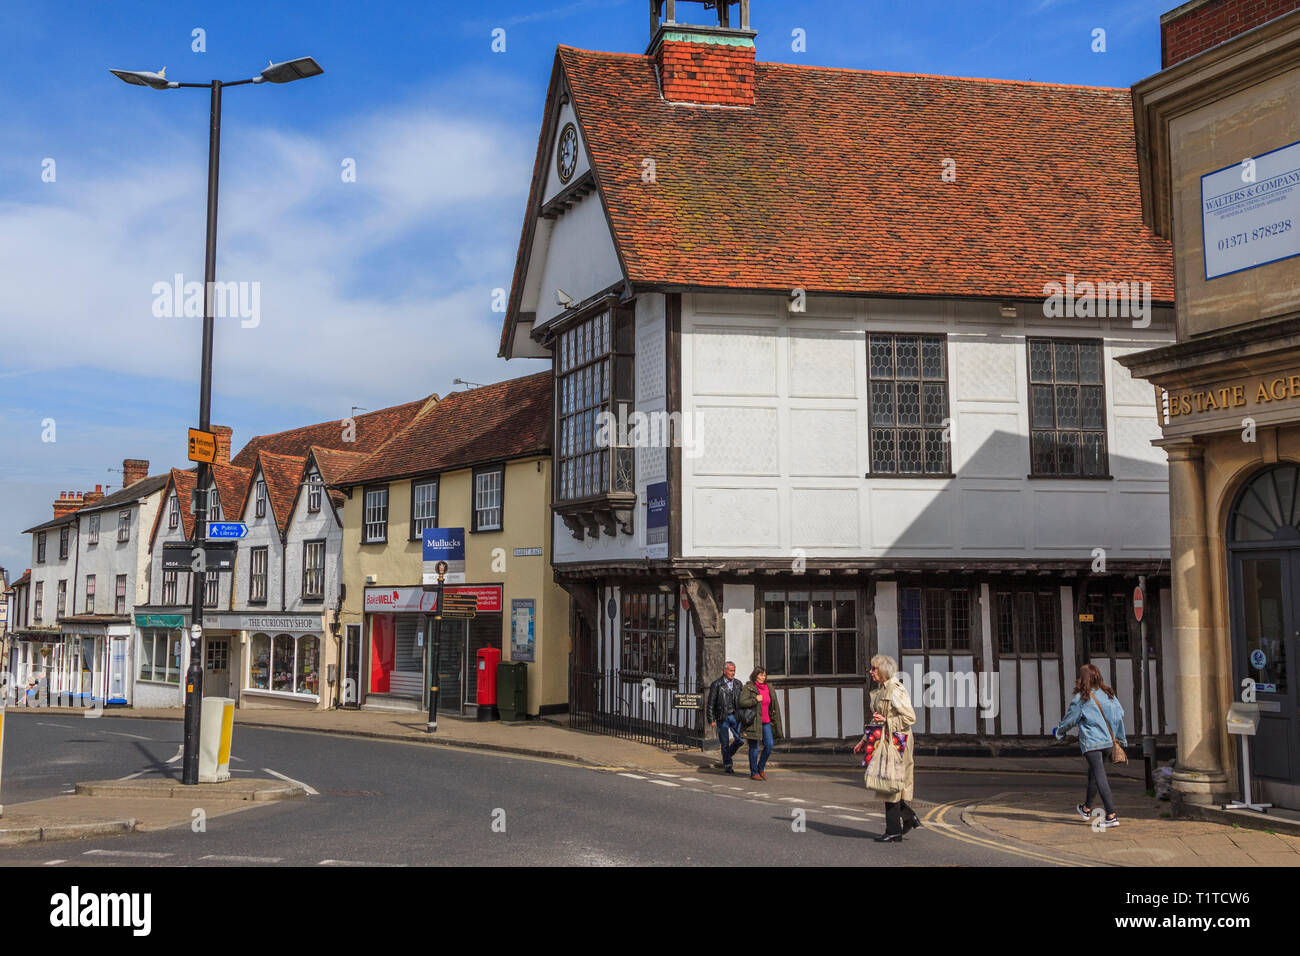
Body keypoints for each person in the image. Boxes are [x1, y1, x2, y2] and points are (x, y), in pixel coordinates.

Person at [854, 654, 920, 842]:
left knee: (889, 785)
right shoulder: (881, 690)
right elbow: (876, 719)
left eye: (873, 668)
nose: (871, 671)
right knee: (888, 784)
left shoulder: (895, 690)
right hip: (885, 740)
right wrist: (864, 740)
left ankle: (894, 831)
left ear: (883, 670)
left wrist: (888, 721)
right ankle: (907, 819)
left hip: (898, 741)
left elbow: (910, 718)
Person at [1052, 663, 1127, 829]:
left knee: (1100, 777)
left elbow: (1070, 720)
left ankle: (1111, 815)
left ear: (1083, 679)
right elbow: (1119, 716)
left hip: (1093, 743)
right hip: (1109, 743)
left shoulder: (1082, 698)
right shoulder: (1109, 695)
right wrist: (1120, 739)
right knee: (1094, 775)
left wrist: (1059, 732)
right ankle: (1086, 809)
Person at [738, 667, 782, 781]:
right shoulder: (749, 688)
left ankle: (760, 768)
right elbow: (742, 702)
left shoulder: (769, 688)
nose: (763, 677)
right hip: (754, 722)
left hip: (766, 722)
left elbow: (773, 703)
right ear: (755, 675)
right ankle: (754, 772)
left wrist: (773, 713)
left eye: (764, 675)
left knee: (769, 745)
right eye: (761, 675)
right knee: (754, 747)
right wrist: (755, 699)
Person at [706, 661, 746, 773]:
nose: (733, 673)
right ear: (724, 671)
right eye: (730, 671)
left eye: (734, 671)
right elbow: (711, 703)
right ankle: (728, 764)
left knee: (741, 740)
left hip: (735, 716)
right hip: (722, 717)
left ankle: (727, 754)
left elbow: (742, 701)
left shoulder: (738, 684)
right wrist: (711, 719)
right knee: (724, 742)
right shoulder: (716, 684)